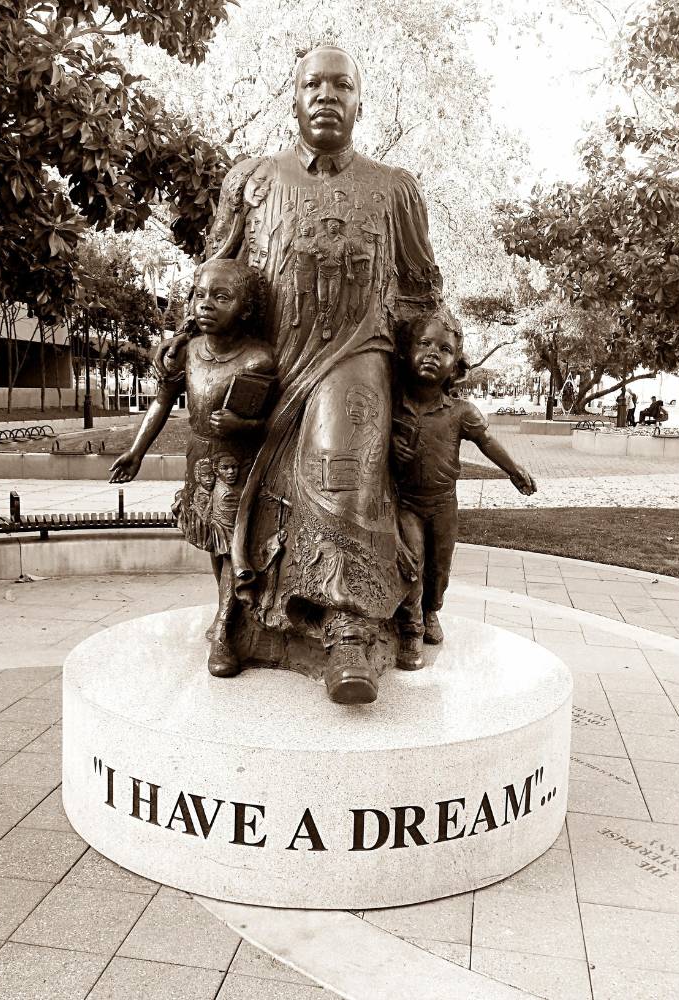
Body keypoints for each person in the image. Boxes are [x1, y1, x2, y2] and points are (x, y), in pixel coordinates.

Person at [199, 44, 445, 704]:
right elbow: (212, 276)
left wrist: (427, 374)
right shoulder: (249, 181)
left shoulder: (394, 189)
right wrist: (197, 356)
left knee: (343, 461)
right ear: (294, 98)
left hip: (356, 353)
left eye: (342, 85)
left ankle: (347, 629)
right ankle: (241, 613)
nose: (327, 95)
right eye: (313, 84)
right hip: (270, 359)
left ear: (362, 102)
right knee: (236, 483)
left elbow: (422, 291)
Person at [111, 259, 276, 677]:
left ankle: (224, 629)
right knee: (211, 543)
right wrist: (136, 452)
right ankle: (225, 614)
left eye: (222, 297)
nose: (207, 305)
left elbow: (275, 422)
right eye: (200, 295)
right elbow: (161, 403)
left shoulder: (258, 359)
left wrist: (244, 425)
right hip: (198, 460)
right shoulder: (186, 352)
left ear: (246, 308)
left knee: (228, 544)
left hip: (235, 466)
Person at [390, 307, 535, 668]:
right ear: (407, 353)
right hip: (405, 501)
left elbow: (486, 442)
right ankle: (410, 629)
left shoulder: (460, 412)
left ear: (455, 366)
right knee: (412, 561)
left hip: (443, 504)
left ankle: (431, 611)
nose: (432, 354)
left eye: (444, 349)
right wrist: (391, 444)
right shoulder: (391, 406)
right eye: (424, 344)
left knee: (439, 568)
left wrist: (514, 470)